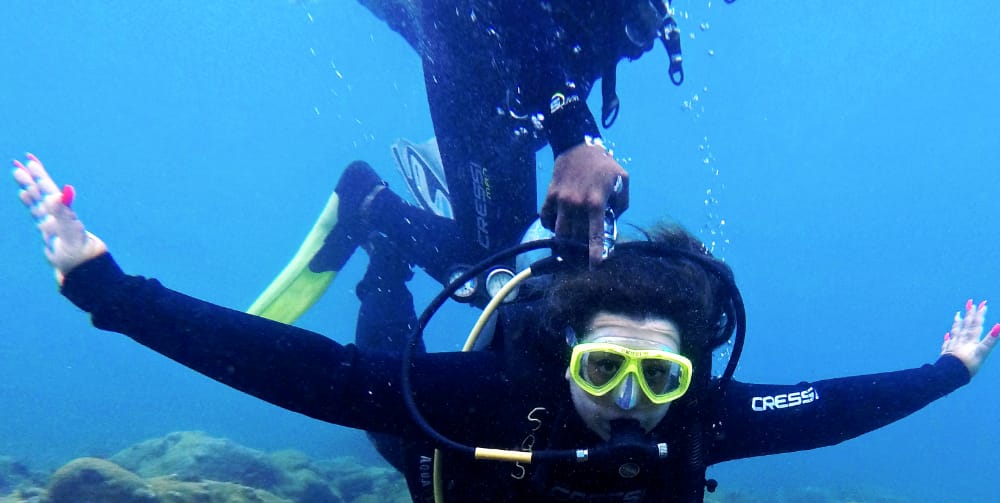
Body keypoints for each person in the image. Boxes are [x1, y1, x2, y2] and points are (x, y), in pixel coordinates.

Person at [13, 154, 1000, 503]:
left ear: (691, 379)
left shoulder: (704, 418)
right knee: (381, 390)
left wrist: (945, 373)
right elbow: (312, 376)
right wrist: (114, 294)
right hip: (458, 476)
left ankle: (431, 236)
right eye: (601, 367)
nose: (626, 400)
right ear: (565, 358)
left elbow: (829, 411)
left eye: (656, 377)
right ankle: (384, 239)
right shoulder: (491, 395)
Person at [250, 0, 706, 324]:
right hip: (466, 23)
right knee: (495, 271)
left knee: (510, 255)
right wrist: (573, 137)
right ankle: (366, 203)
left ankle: (466, 185)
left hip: (498, 59)